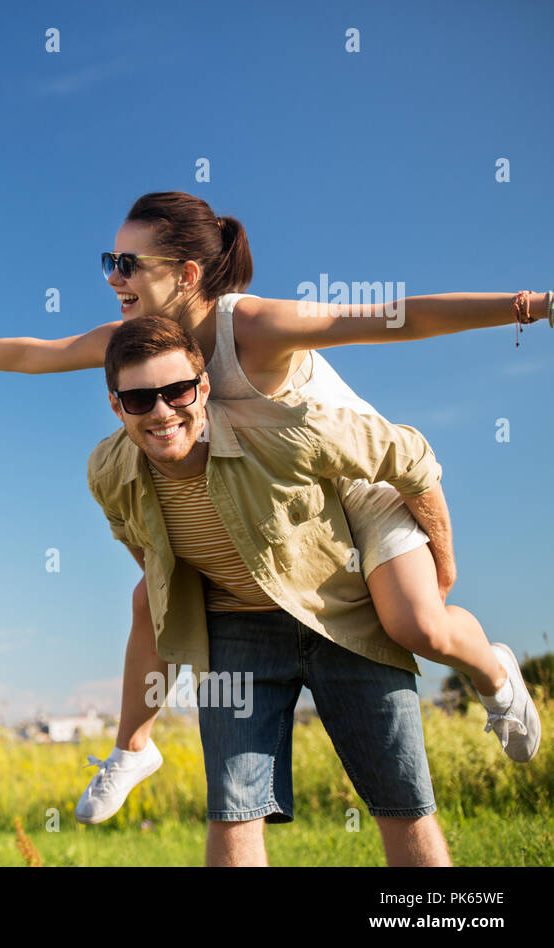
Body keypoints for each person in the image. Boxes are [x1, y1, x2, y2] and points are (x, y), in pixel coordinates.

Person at [0, 191, 546, 823]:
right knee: (152, 596)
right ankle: (132, 748)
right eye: (108, 261)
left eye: (129, 263)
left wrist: (528, 305)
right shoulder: (138, 341)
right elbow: (41, 354)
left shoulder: (252, 324)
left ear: (187, 272)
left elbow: (395, 316)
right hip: (279, 493)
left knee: (417, 626)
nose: (114, 275)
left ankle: (494, 671)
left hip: (356, 474)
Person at [89, 315, 538, 866]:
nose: (161, 412)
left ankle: (491, 669)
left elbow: (411, 459)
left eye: (177, 391)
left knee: (402, 802)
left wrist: (443, 566)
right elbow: (145, 551)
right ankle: (131, 749)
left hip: (343, 614)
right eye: (139, 400)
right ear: (117, 406)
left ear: (202, 387)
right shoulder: (108, 471)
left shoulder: (279, 430)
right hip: (236, 631)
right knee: (232, 810)